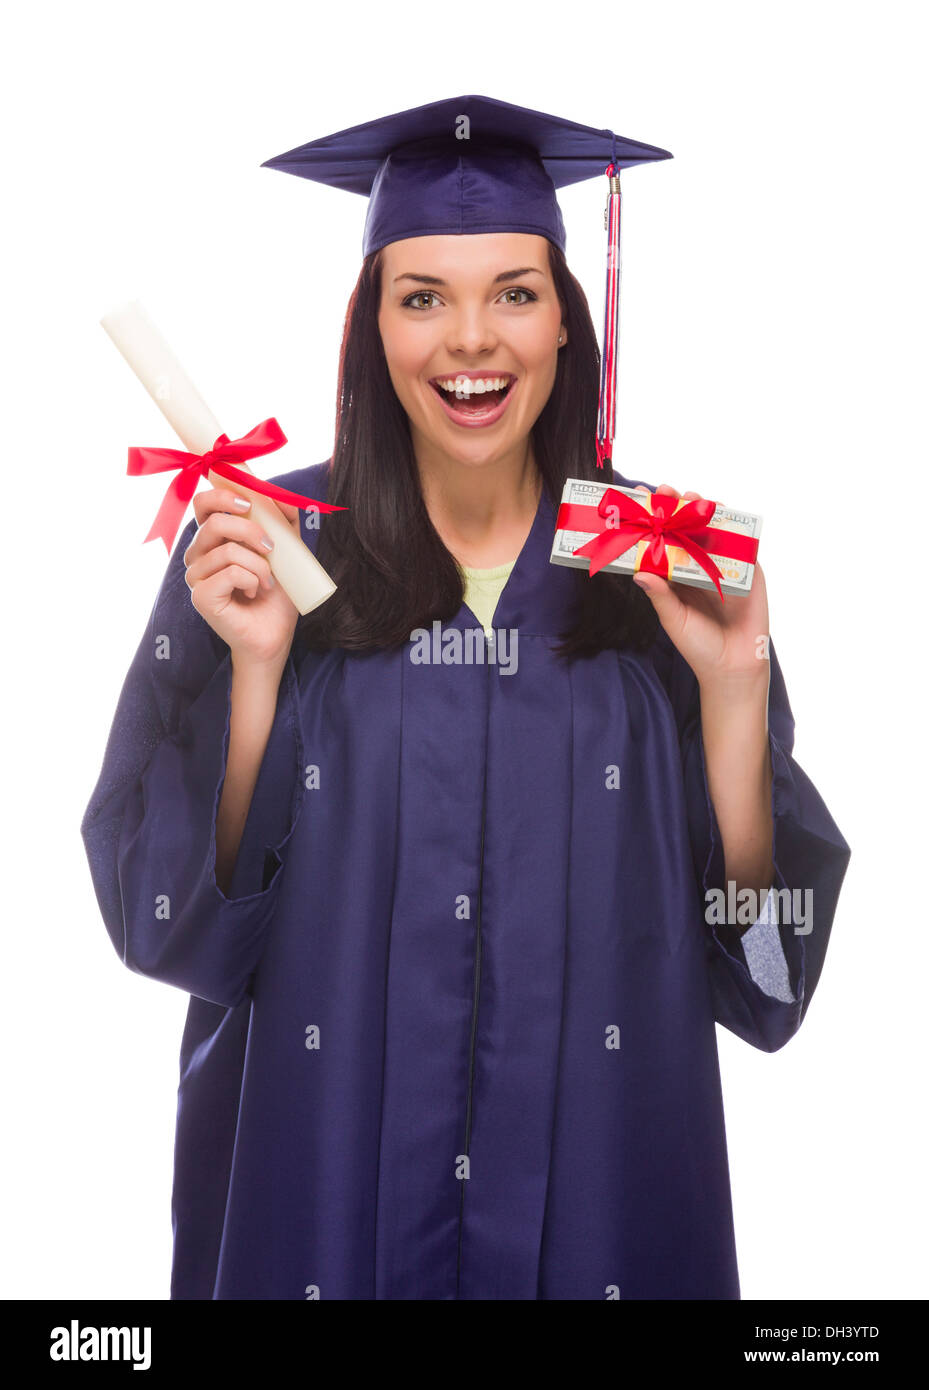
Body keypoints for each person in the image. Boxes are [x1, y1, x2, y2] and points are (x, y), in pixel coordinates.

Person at [81, 96, 850, 1300]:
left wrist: (736, 698)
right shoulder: (266, 545)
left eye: (514, 291)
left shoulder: (658, 564)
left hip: (604, 1220)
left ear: (565, 322)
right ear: (370, 327)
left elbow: (762, 987)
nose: (469, 341)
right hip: (320, 1209)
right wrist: (261, 674)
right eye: (422, 296)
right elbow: (171, 930)